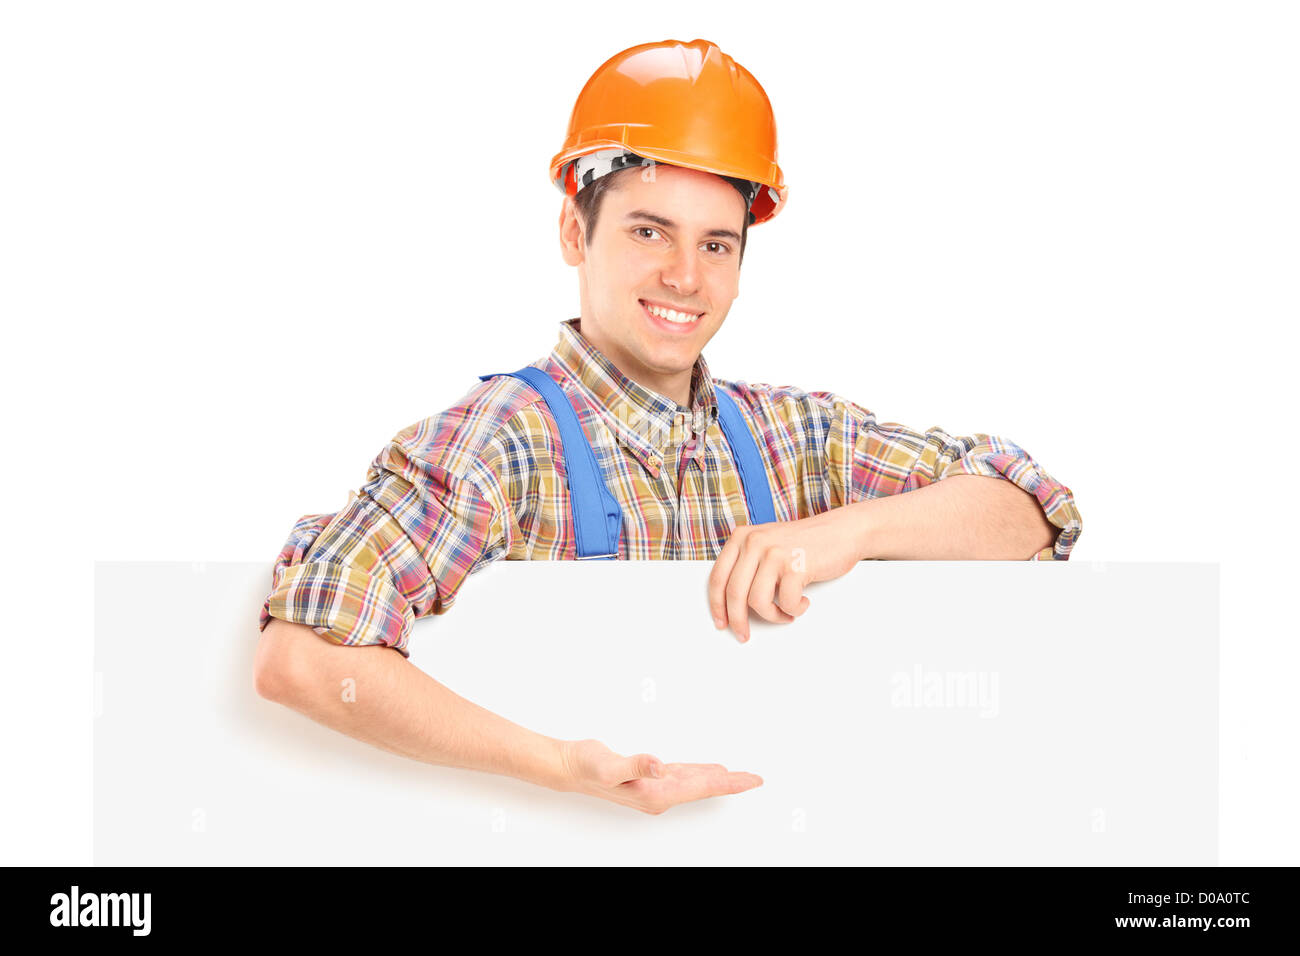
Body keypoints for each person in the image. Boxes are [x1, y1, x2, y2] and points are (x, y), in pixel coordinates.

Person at [253, 38, 1083, 816]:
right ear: (576, 233)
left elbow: (1028, 509)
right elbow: (304, 656)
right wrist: (559, 767)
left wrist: (847, 533)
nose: (685, 277)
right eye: (649, 231)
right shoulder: (499, 442)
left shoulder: (794, 437)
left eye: (717, 245)